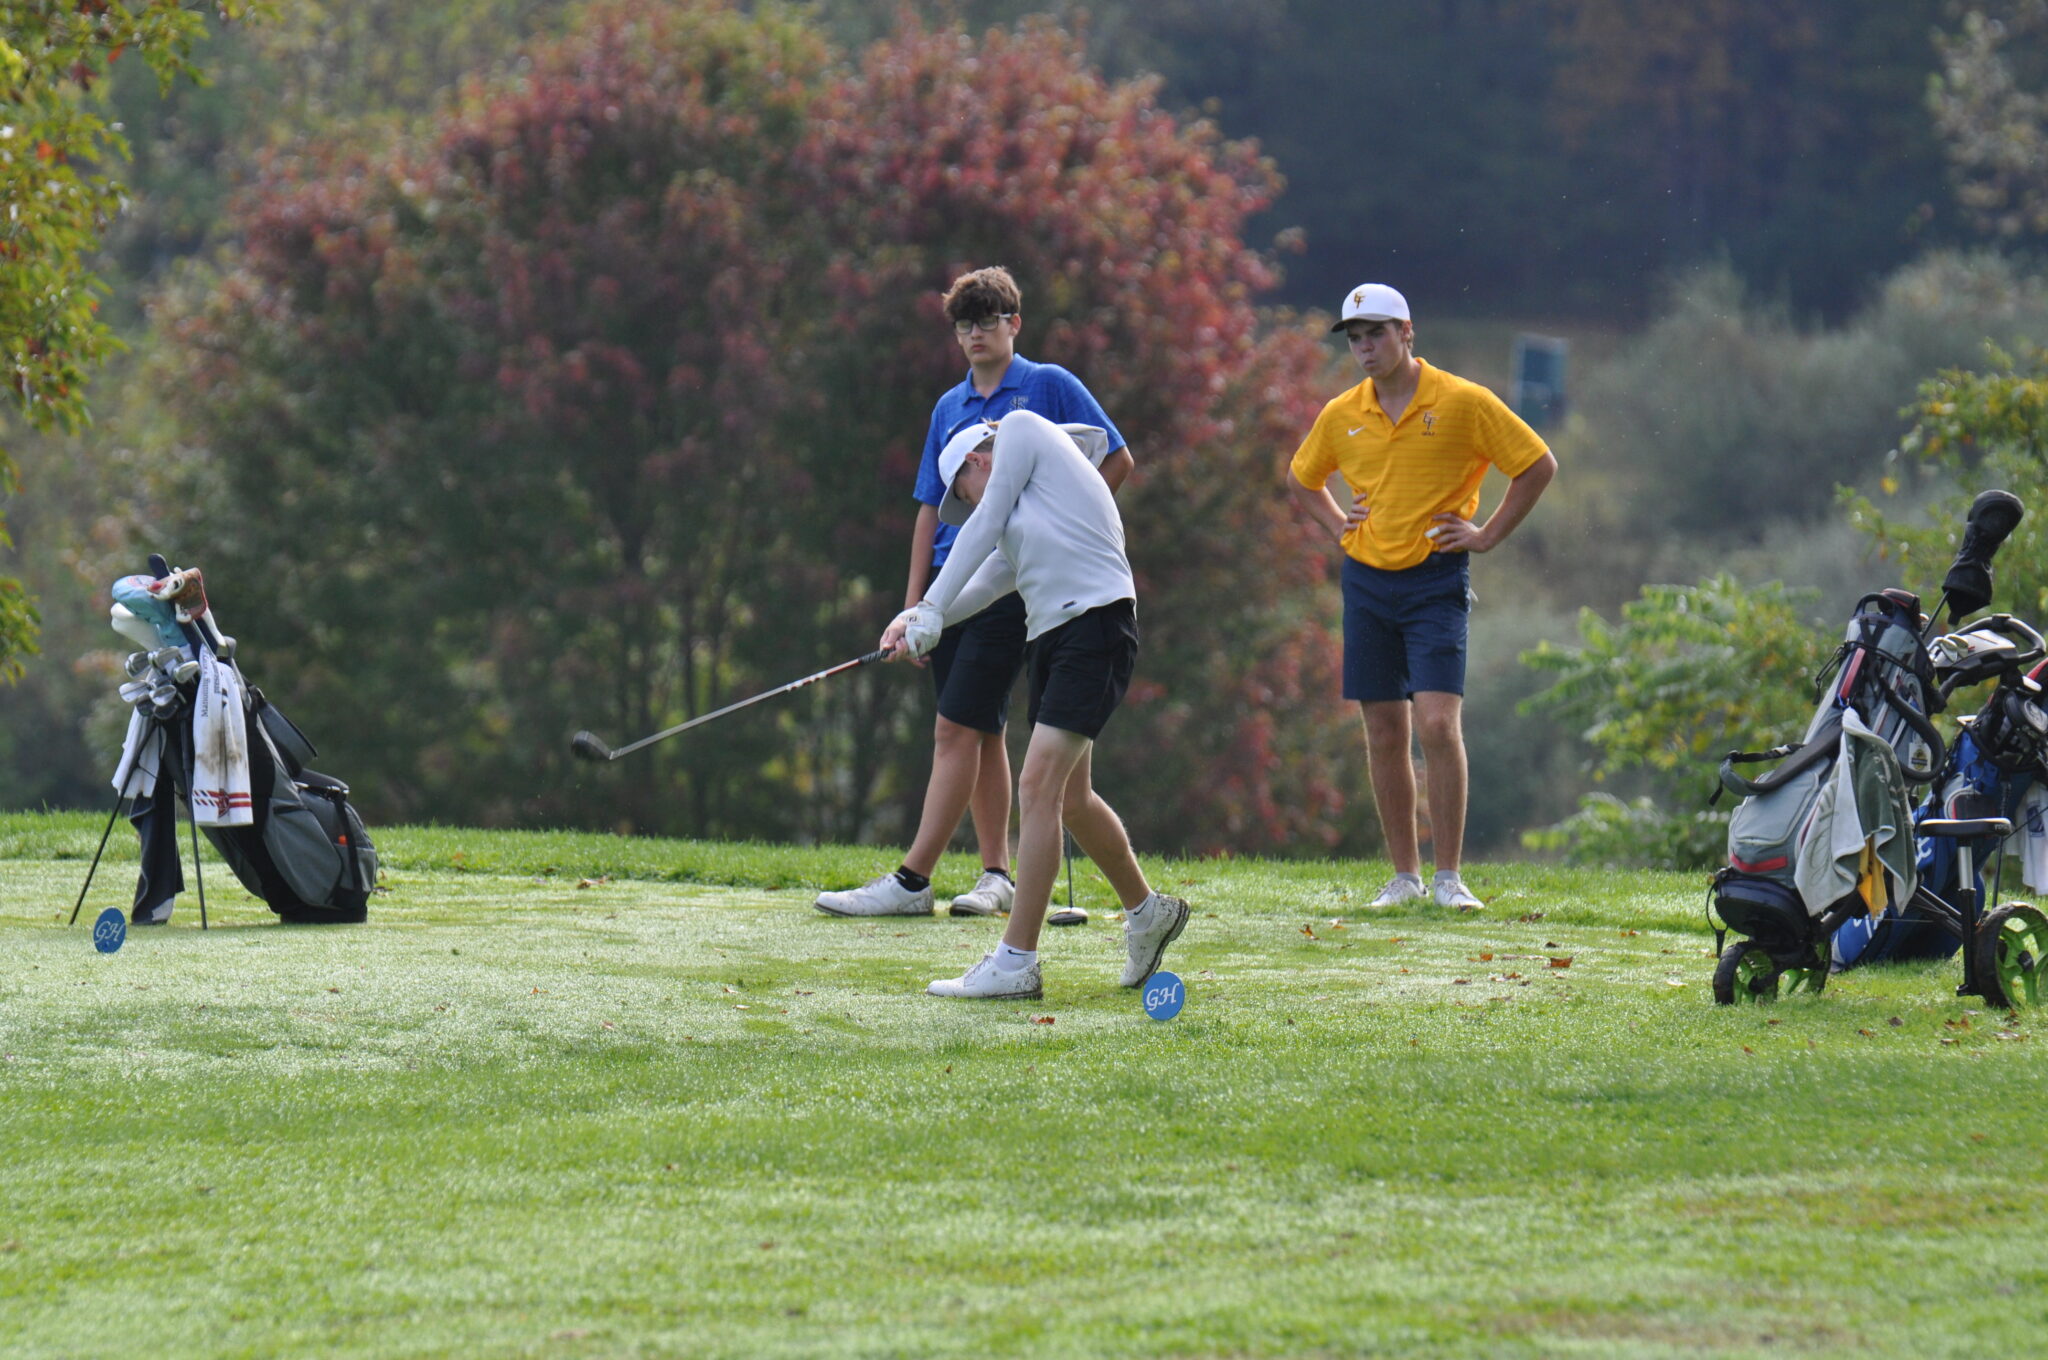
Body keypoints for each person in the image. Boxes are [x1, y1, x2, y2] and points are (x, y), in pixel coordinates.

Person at [814, 267, 1131, 921]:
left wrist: (1058, 536)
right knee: (983, 732)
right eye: (965, 324)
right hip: (973, 585)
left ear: (1014, 324)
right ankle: (1003, 877)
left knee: (958, 728)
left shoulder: (1036, 397)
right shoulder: (948, 408)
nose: (976, 334)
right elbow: (939, 514)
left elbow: (1104, 463)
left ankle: (916, 880)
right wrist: (917, 608)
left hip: (1039, 595)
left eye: (988, 321)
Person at [881, 411, 1187, 999]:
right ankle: (1149, 914)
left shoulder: (1020, 428)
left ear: (976, 463)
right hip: (1057, 636)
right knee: (1071, 798)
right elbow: (987, 584)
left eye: (962, 495)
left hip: (1095, 626)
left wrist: (930, 608)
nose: (969, 506)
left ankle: (1016, 961)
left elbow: (986, 518)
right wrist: (916, 617)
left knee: (1038, 786)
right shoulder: (1026, 515)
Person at [1288, 283, 1557, 910]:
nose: (1364, 348)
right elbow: (1302, 480)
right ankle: (1404, 878)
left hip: (1436, 578)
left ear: (1407, 332)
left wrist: (1487, 534)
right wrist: (1338, 528)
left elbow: (1536, 463)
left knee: (1436, 724)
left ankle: (1448, 878)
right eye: (1355, 338)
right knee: (1384, 730)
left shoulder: (1463, 402)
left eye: (1376, 334)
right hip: (1366, 582)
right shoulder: (1342, 412)